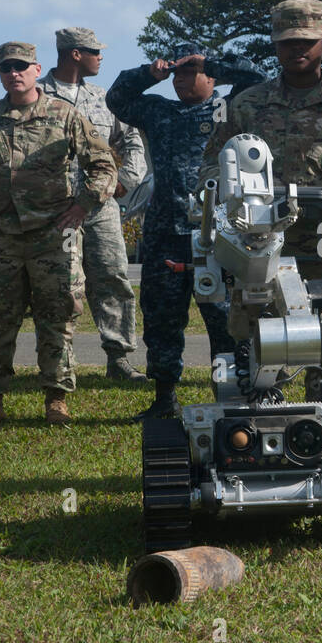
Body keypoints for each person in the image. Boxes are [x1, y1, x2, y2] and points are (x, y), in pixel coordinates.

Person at [198, 0, 322, 399]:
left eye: (306, 41)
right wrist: (230, 197)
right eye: (287, 41)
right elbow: (210, 171)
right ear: (274, 44)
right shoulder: (246, 105)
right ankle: (256, 436)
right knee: (257, 350)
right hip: (261, 249)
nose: (297, 49)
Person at [0, 42, 116, 427]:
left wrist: (82, 206)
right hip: (3, 238)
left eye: (21, 66)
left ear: (37, 68)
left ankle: (56, 398)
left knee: (57, 319)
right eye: (6, 67)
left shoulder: (65, 114)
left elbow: (103, 165)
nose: (14, 73)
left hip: (53, 237)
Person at [106, 41, 265, 419]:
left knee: (228, 323)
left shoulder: (230, 108)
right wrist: (149, 73)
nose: (181, 80)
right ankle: (164, 400)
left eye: (189, 72)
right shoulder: (159, 111)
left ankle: (233, 397)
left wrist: (210, 61)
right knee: (161, 320)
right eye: (176, 73)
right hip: (166, 234)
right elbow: (117, 97)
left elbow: (258, 78)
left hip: (220, 234)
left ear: (211, 78)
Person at [39, 27, 147, 382]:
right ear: (75, 54)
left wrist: (124, 181)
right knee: (59, 286)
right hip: (55, 209)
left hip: (100, 207)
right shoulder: (37, 96)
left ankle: (119, 359)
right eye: (94, 51)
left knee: (113, 277)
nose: (100, 57)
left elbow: (132, 139)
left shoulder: (103, 98)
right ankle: (58, 363)